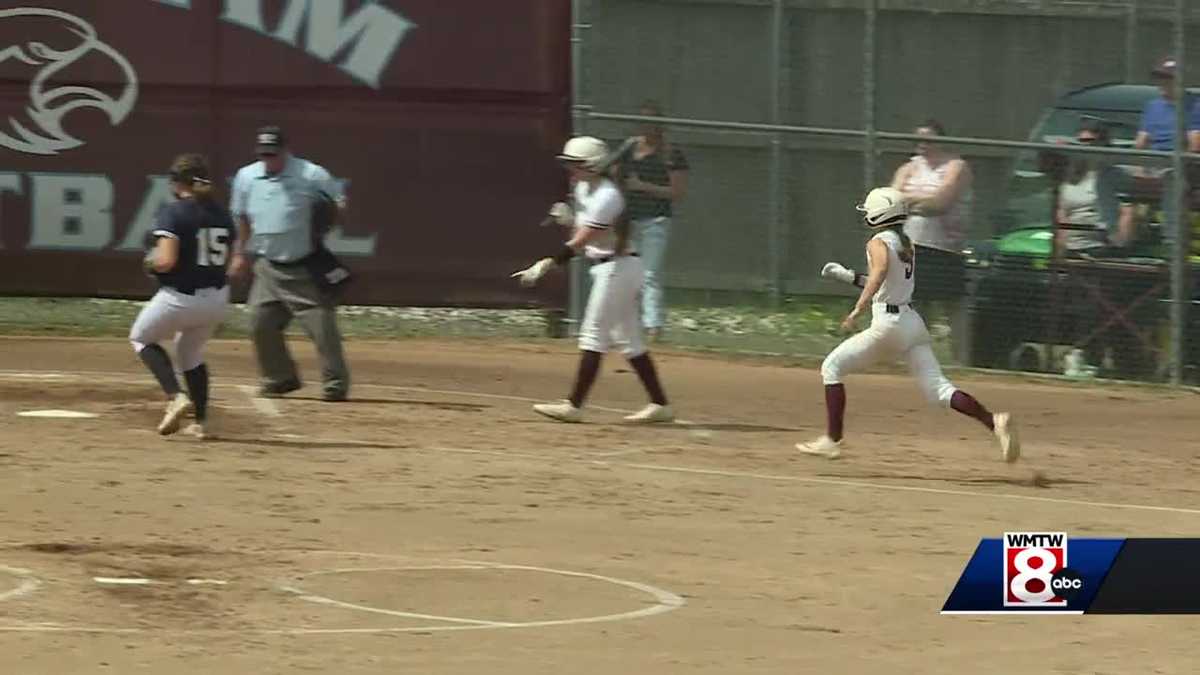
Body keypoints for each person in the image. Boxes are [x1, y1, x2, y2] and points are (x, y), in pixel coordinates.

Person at [798, 187, 1019, 462]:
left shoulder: (877, 241)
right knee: (939, 390)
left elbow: (879, 275)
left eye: (869, 210)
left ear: (880, 214)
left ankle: (832, 439)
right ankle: (993, 421)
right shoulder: (905, 242)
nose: (866, 214)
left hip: (888, 324)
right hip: (911, 322)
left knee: (831, 368)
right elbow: (886, 281)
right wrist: (847, 276)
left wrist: (857, 309)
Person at [511, 136, 674, 424]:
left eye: (576, 165)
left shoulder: (608, 196)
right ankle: (660, 404)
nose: (570, 171)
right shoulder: (585, 188)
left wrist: (548, 264)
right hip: (611, 266)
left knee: (593, 335)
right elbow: (586, 233)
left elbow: (581, 242)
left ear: (593, 165)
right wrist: (569, 220)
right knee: (630, 341)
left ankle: (574, 405)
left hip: (618, 268)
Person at [229, 126, 350, 401]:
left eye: (274, 154)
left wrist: (327, 223)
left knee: (322, 329)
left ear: (286, 150)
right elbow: (242, 218)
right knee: (260, 324)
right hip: (268, 266)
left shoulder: (311, 174)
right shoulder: (247, 177)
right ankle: (280, 378)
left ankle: (335, 383)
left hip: (304, 265)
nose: (269, 160)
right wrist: (239, 255)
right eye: (264, 155)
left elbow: (340, 203)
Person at [129, 153, 234, 440]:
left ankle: (175, 396)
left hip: (181, 297)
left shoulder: (174, 212)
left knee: (141, 338)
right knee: (190, 353)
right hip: (216, 298)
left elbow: (166, 261)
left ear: (177, 183)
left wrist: (150, 262)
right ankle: (201, 422)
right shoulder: (222, 213)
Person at [890, 120, 972, 353]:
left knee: (953, 306)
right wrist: (919, 201)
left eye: (928, 139)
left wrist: (910, 200)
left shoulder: (956, 167)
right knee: (916, 304)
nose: (922, 144)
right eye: (918, 139)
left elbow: (940, 204)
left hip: (946, 248)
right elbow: (892, 203)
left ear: (940, 141)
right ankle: (917, 357)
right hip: (911, 245)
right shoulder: (908, 168)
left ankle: (962, 361)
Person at [620, 101, 689, 340]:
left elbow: (677, 192)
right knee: (628, 272)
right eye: (642, 120)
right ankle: (628, 325)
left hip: (655, 221)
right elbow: (611, 167)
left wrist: (643, 186)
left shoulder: (671, 153)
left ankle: (653, 327)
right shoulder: (630, 146)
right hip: (630, 219)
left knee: (649, 273)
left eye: (651, 120)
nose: (645, 126)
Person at [1133, 57, 1200, 247]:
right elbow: (1141, 143)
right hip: (1152, 163)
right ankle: (1110, 235)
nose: (1161, 83)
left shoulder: (1195, 105)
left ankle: (1172, 243)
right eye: (1159, 78)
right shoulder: (1152, 106)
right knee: (1108, 173)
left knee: (1172, 178)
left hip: (1179, 167)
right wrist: (1138, 165)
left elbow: (1195, 145)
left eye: (1167, 78)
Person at [1055, 118, 1136, 255]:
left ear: (1103, 143)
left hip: (1101, 248)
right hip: (1070, 248)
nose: (1086, 147)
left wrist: (1119, 245)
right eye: (1082, 142)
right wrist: (1061, 245)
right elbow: (1061, 211)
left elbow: (1127, 212)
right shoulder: (1070, 176)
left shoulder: (1116, 175)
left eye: (1091, 142)